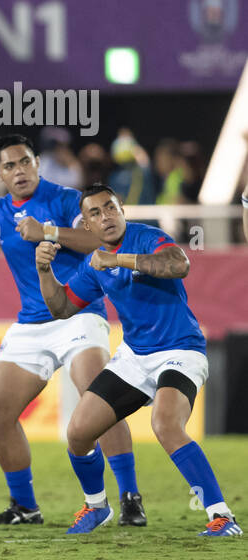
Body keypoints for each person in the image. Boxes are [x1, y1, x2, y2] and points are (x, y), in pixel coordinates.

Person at [0, 135, 142, 526]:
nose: (19, 171)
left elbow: (103, 238)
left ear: (38, 163)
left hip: (78, 313)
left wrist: (49, 232)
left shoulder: (65, 200)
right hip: (32, 324)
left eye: (24, 162)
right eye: (9, 166)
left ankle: (130, 499)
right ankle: (25, 507)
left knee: (100, 402)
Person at [36, 184, 238, 537]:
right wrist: (45, 272)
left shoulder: (147, 238)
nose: (106, 217)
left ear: (122, 209)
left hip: (180, 349)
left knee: (166, 426)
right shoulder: (93, 263)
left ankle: (221, 516)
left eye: (110, 208)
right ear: (86, 225)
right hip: (134, 357)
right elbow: (62, 307)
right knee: (79, 433)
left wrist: (118, 259)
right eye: (95, 214)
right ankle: (97, 505)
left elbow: (178, 264)